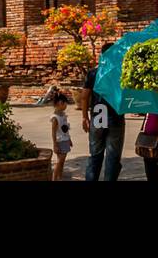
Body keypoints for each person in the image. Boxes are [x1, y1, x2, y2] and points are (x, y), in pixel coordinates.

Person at [80, 42, 126, 181]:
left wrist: (84, 117)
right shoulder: (120, 73)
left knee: (95, 155)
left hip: (98, 115)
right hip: (115, 116)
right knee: (112, 156)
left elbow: (84, 96)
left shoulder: (93, 73)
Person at [47, 88, 73, 181]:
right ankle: (54, 178)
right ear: (60, 103)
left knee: (62, 161)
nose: (66, 105)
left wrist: (69, 139)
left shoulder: (63, 115)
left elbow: (66, 129)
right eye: (65, 103)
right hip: (59, 141)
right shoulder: (55, 118)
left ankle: (60, 177)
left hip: (65, 140)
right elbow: (53, 132)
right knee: (59, 161)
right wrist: (55, 144)